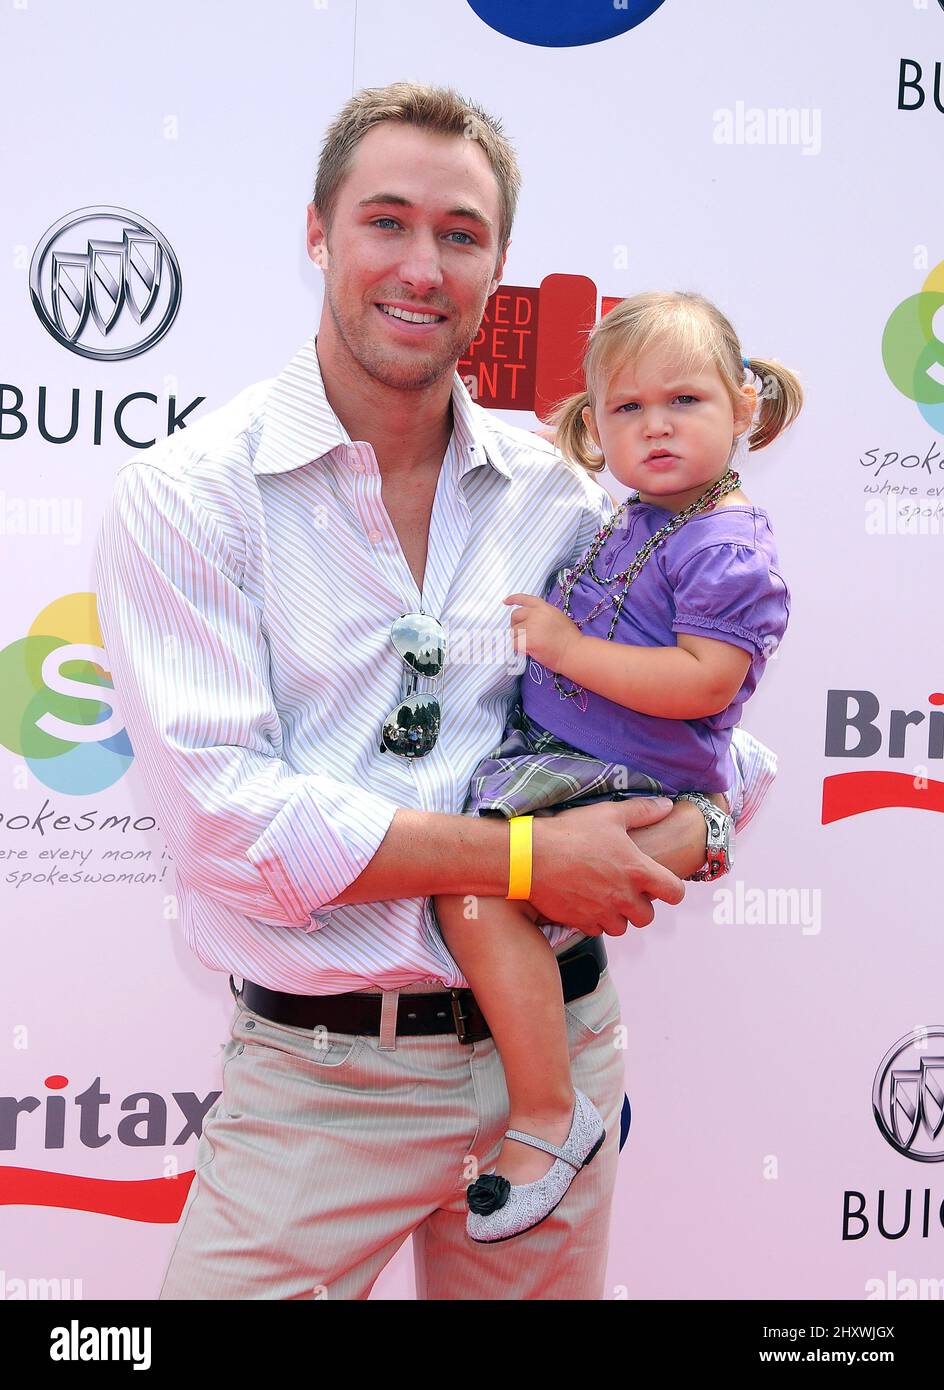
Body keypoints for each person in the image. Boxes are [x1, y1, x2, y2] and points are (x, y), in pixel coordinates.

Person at [93, 82, 779, 1301]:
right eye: (385, 221)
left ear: (498, 263)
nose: (421, 265)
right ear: (317, 231)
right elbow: (229, 823)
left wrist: (699, 822)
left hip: (557, 1059)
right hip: (320, 1082)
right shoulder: (192, 495)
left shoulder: (566, 496)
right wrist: (523, 864)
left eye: (458, 234)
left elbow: (709, 729)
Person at [433, 290, 801, 1242]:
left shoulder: (727, 543)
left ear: (744, 408)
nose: (658, 427)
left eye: (685, 401)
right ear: (596, 429)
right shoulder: (642, 515)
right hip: (568, 763)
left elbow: (702, 681)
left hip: (610, 781)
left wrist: (561, 650)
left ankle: (550, 1113)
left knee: (471, 896)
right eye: (628, 410)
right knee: (476, 889)